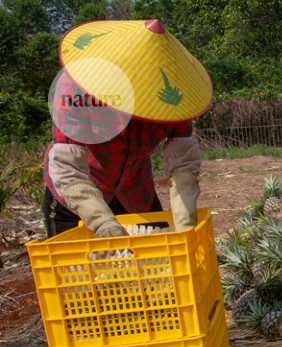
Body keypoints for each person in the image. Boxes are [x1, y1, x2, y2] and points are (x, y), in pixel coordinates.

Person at [43, 19, 213, 238]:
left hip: (135, 190)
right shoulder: (75, 89)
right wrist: (102, 222)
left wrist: (186, 225)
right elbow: (68, 167)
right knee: (79, 268)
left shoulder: (175, 96)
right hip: (77, 192)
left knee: (154, 262)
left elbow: (183, 163)